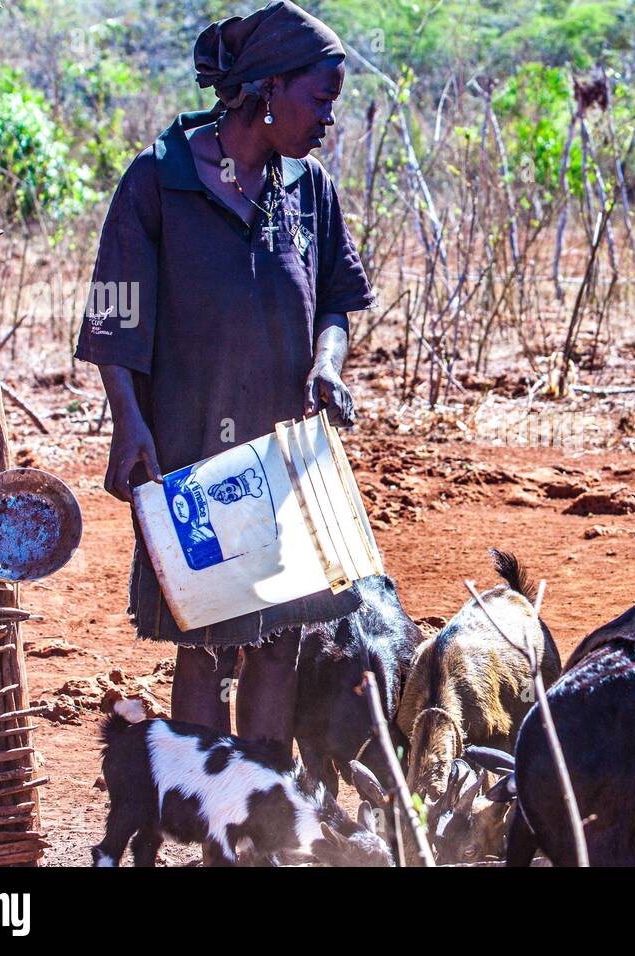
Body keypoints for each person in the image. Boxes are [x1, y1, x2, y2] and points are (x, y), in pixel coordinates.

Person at [75, 1, 373, 774]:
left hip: (282, 455)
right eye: (321, 100)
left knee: (278, 641)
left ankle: (261, 827)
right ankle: (214, 826)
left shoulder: (308, 190)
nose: (327, 120)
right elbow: (114, 320)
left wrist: (328, 363)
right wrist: (128, 425)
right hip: (188, 443)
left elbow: (336, 298)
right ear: (268, 89)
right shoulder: (157, 182)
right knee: (205, 648)